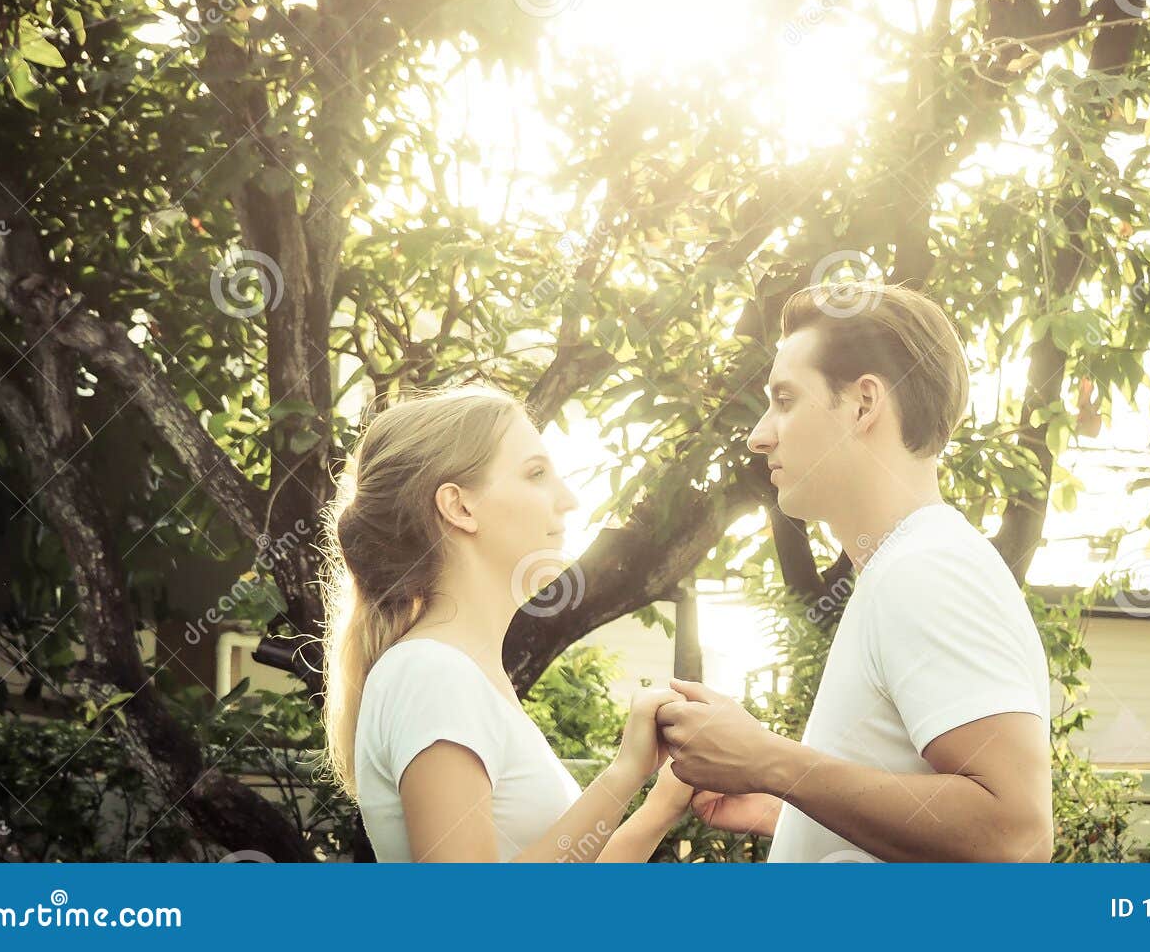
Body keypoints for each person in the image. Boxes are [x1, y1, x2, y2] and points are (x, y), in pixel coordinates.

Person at [656, 282, 1055, 862]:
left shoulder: (928, 569)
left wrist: (768, 759)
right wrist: (788, 809)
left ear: (864, 404)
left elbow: (1014, 835)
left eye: (786, 400)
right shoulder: (905, 564)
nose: (758, 434)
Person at [320, 385, 691, 862]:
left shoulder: (456, 672)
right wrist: (621, 773)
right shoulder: (431, 674)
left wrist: (661, 800)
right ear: (460, 507)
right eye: (536, 473)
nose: (569, 499)